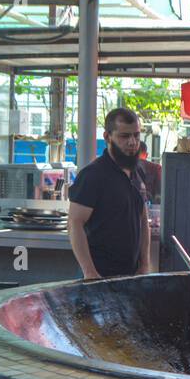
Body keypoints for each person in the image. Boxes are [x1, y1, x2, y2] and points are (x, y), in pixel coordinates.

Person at [67, 107, 151, 280]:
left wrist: (144, 265)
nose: (132, 142)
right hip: (98, 275)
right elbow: (74, 223)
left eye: (136, 135)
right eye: (124, 136)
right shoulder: (93, 175)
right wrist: (89, 271)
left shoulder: (137, 172)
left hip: (131, 275)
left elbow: (142, 219)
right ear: (107, 137)